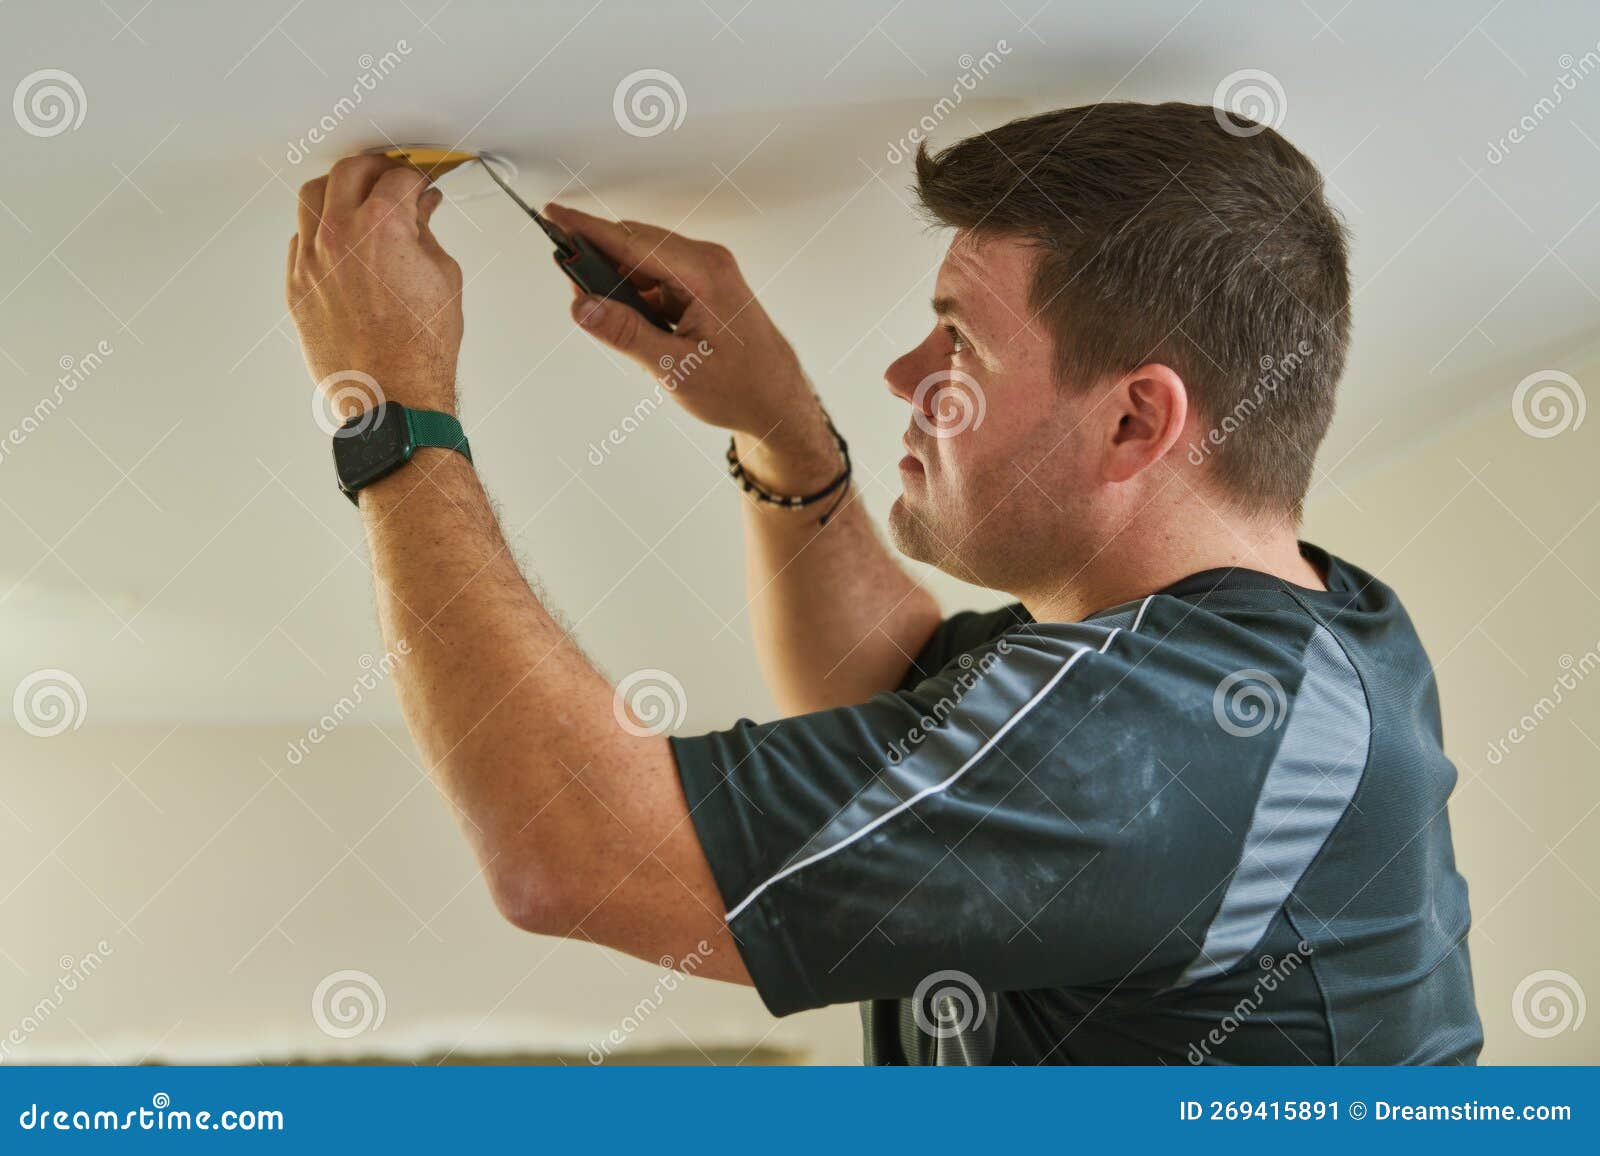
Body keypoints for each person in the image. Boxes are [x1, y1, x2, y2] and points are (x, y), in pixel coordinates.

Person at [286, 102, 1482, 1064]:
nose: (907, 370)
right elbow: (886, 679)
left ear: (1133, 421)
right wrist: (781, 430)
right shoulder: (1304, 635)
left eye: (959, 341)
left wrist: (392, 406)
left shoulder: (1186, 732)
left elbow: (572, 850)